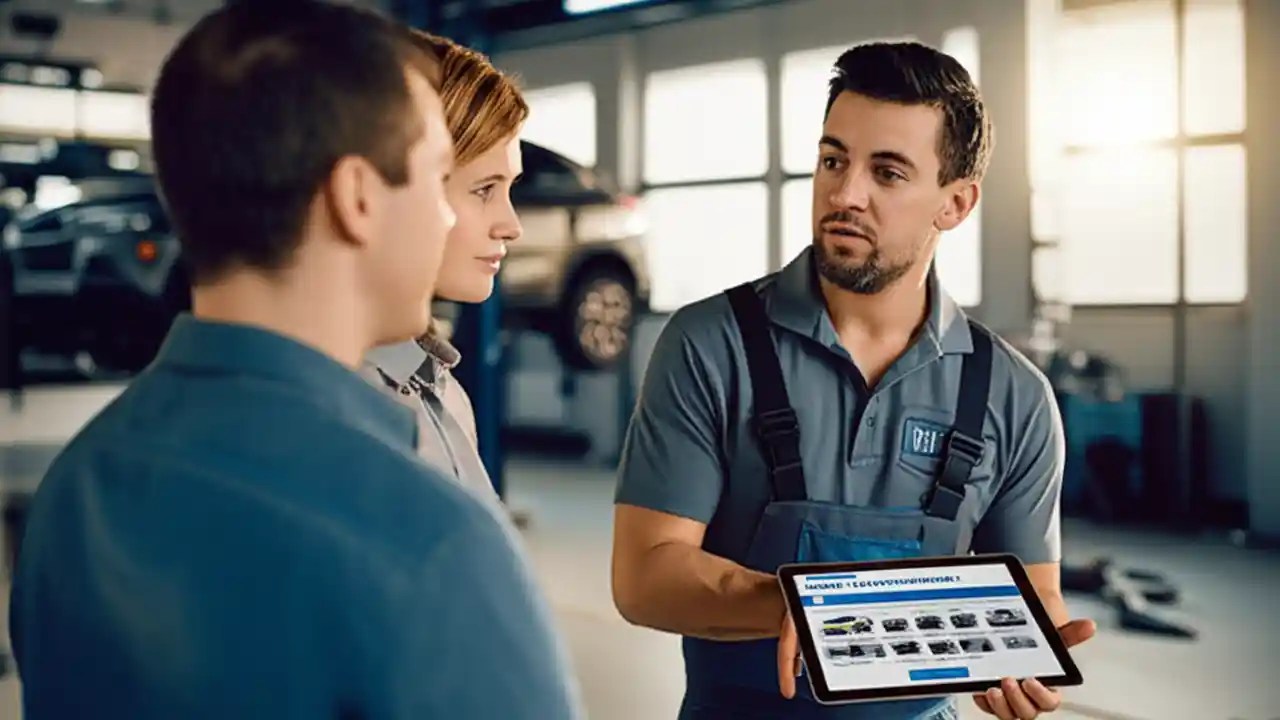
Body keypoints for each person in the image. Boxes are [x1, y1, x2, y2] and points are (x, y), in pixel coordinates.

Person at [8, 3, 581, 719]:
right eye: (438, 177)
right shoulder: (429, 540)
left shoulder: (75, 493)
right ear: (357, 198)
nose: (446, 218)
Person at [611, 41, 1094, 720]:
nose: (845, 194)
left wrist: (1023, 652)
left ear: (955, 203)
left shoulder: (1012, 395)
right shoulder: (710, 345)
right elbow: (644, 577)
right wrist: (809, 612)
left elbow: (1032, 595)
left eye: (887, 172)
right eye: (834, 159)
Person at [363, 30, 525, 500]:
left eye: (509, 189)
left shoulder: (444, 393)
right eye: (484, 190)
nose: (511, 225)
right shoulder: (351, 412)